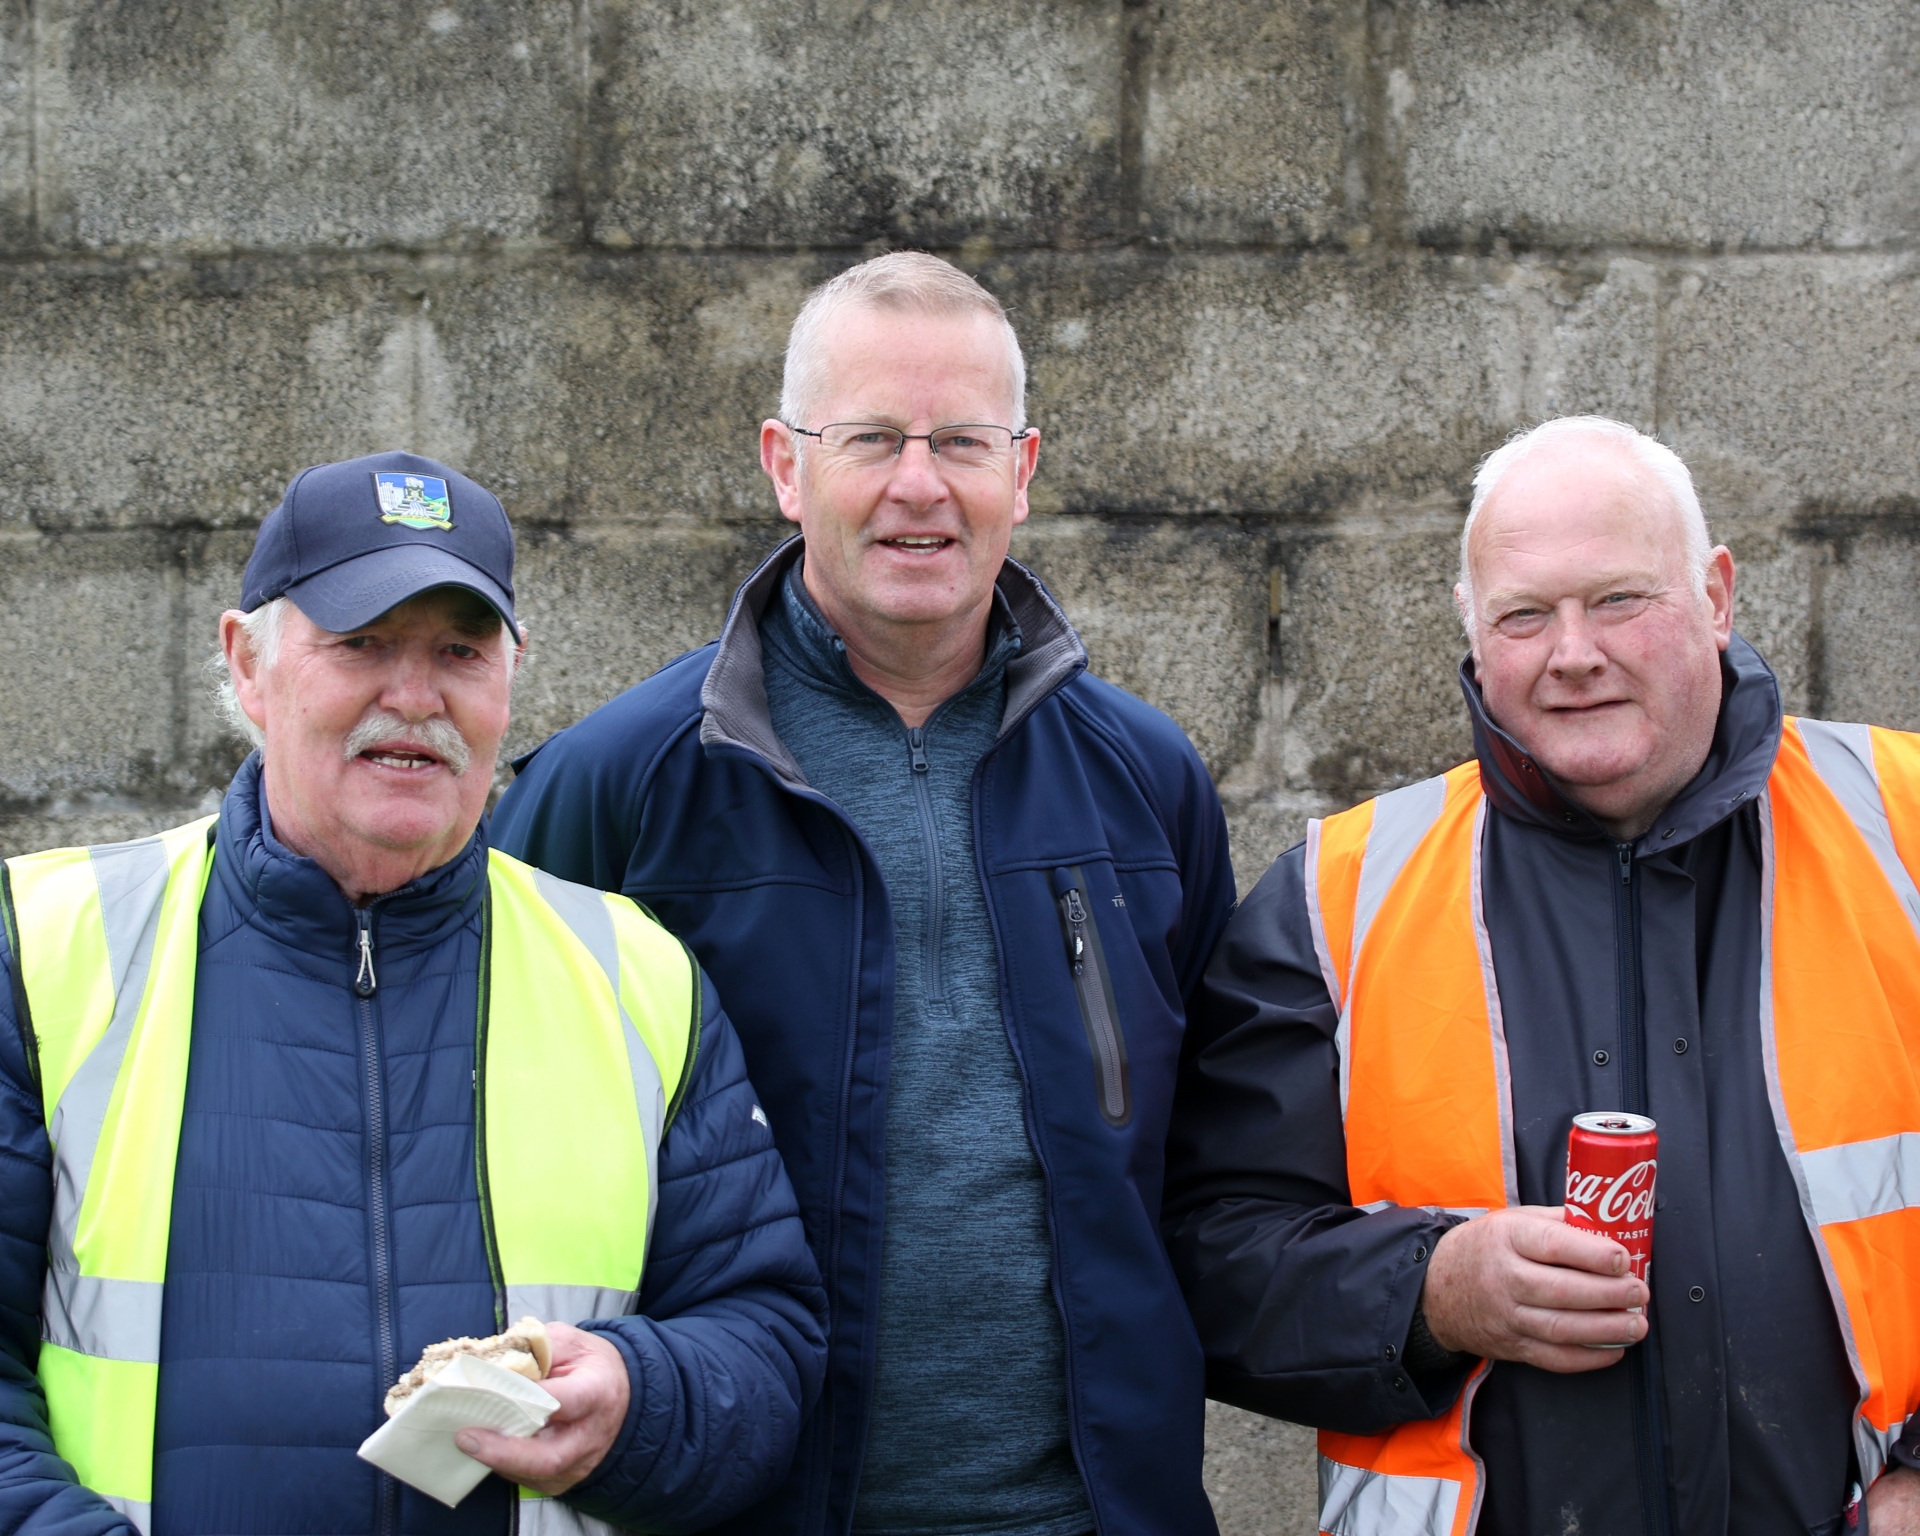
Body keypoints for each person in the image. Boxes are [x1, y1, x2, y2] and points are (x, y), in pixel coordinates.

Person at [491, 252, 1237, 1536]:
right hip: (751, 1511)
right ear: (785, 466)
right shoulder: (620, 787)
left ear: (1025, 469)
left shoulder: (1146, 782)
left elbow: (1215, 1171)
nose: (918, 484)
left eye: (962, 440)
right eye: (873, 438)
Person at [0, 451, 827, 1535]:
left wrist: (643, 1400)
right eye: (361, 645)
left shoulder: (636, 972)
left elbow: (765, 1339)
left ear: (510, 678)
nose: (414, 696)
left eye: (459, 650)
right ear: (248, 664)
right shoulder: (41, 948)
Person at [1163, 416, 1920, 1536]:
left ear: (1717, 595)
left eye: (1619, 599)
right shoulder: (1335, 898)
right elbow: (1206, 1259)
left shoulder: (1903, 828)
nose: (1574, 653)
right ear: (1474, 639)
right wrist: (1431, 1290)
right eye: (1525, 615)